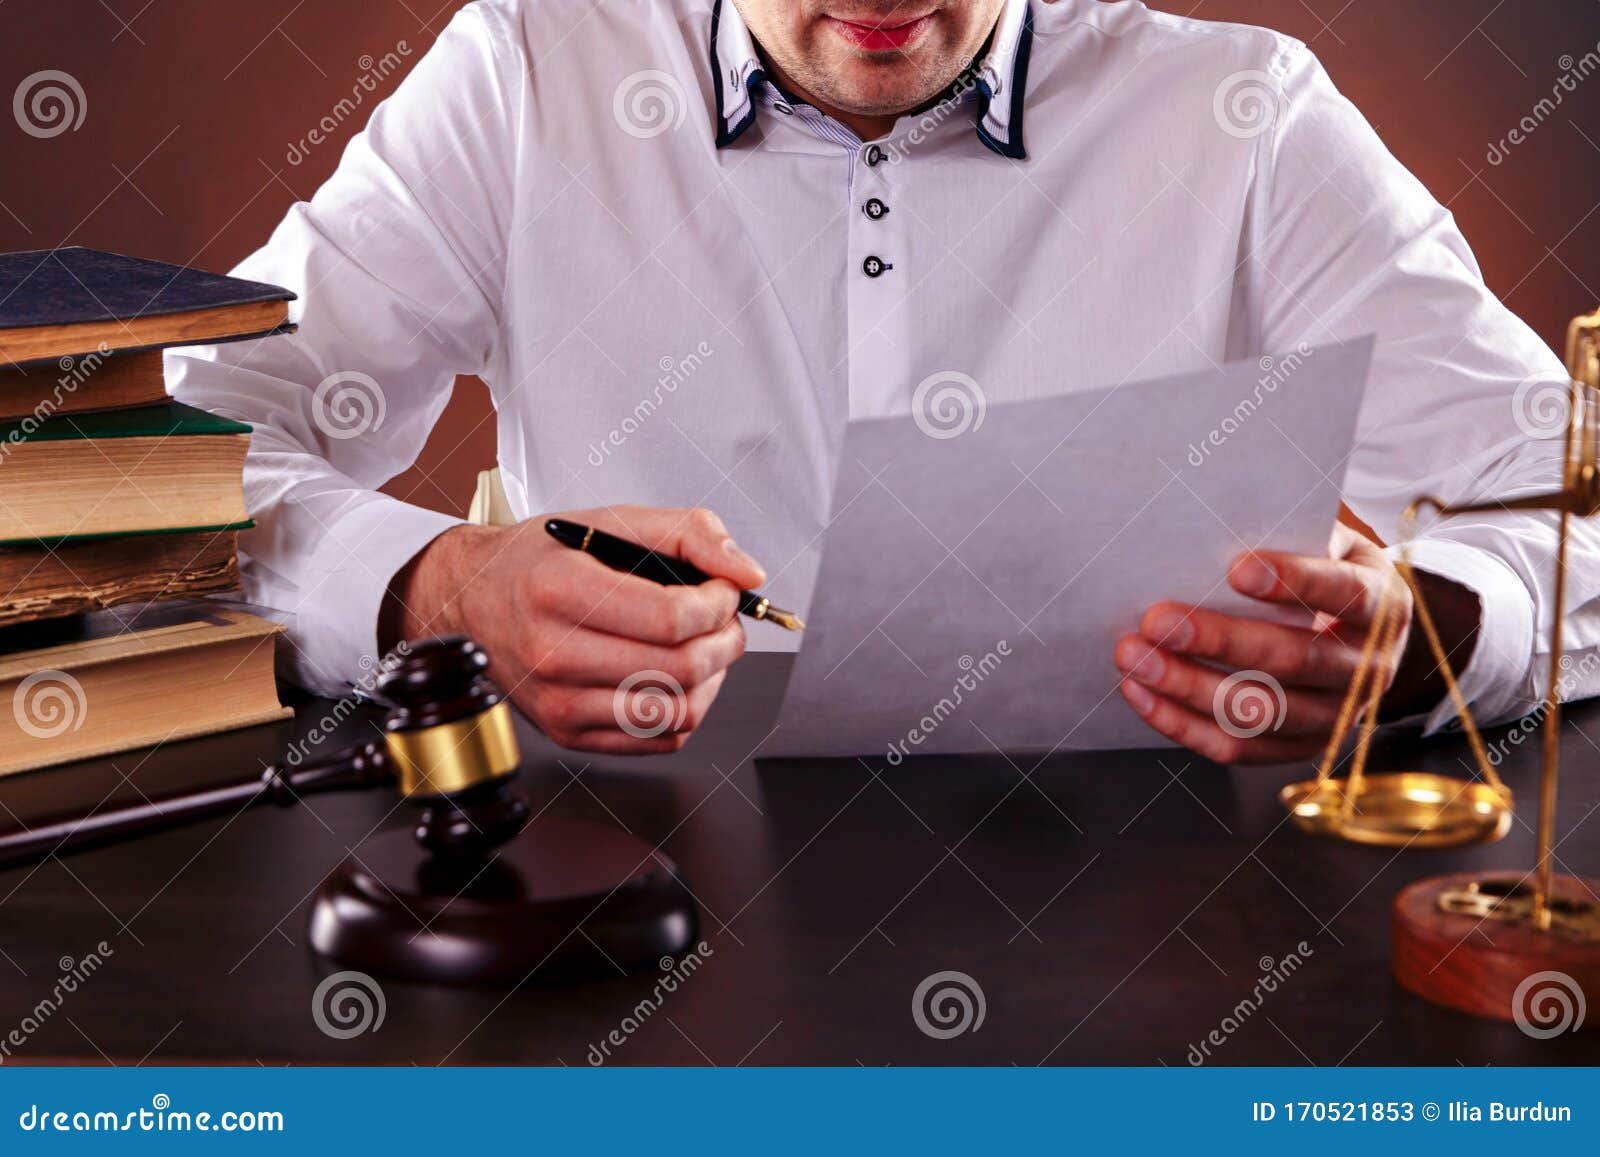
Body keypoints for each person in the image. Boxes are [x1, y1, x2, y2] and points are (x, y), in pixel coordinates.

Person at [170, 0, 1598, 761]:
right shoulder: (523, 77)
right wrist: (441, 587)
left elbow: (1576, 503)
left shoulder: (1247, 119)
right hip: (639, 940)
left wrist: (1449, 634)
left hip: (1160, 959)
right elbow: (165, 469)